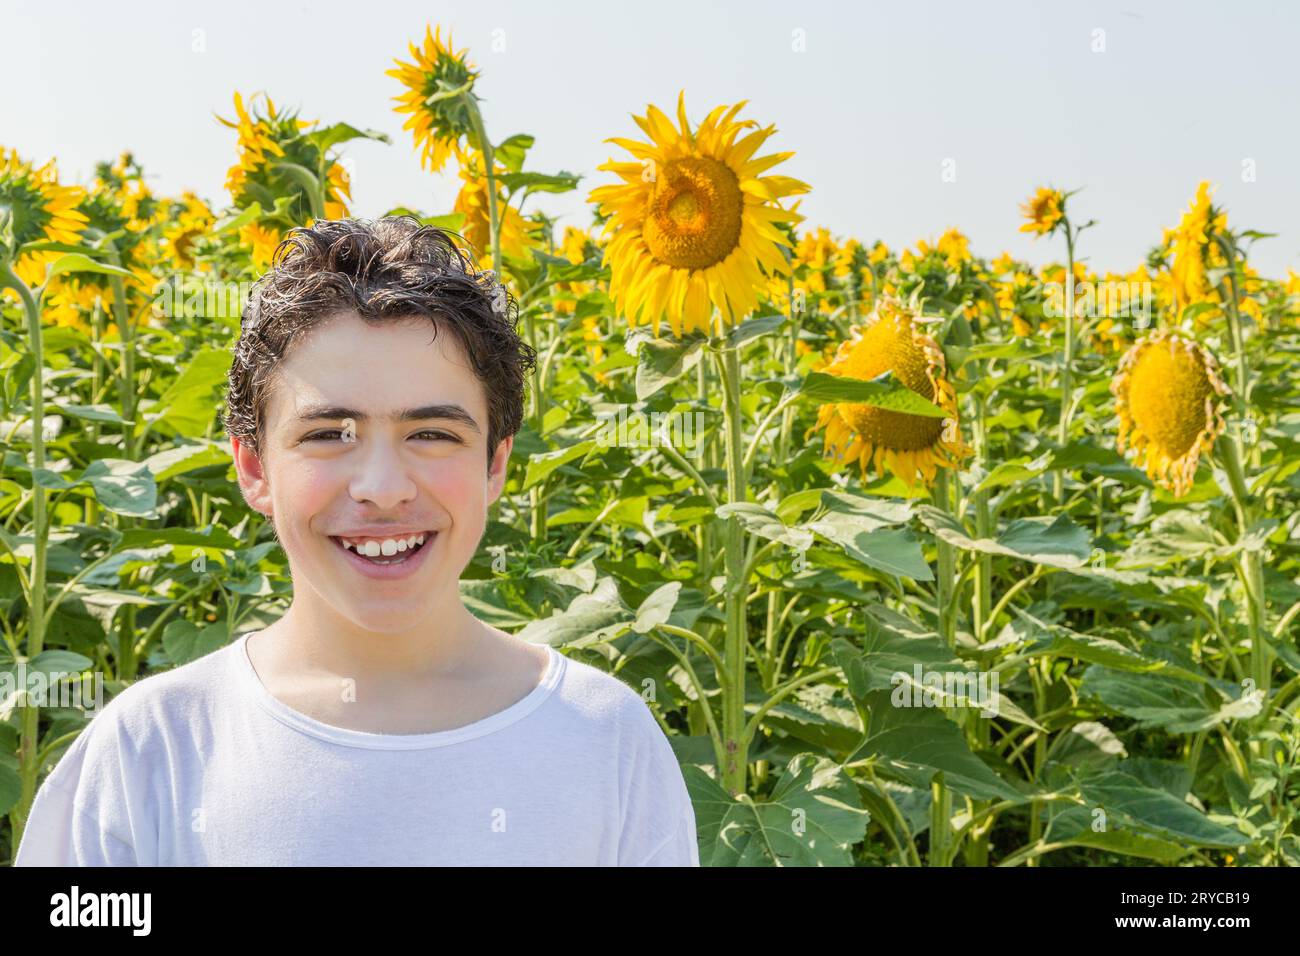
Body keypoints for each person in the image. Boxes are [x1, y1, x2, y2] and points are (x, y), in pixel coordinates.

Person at [15, 216, 700, 866]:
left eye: (431, 434)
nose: (382, 487)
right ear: (254, 468)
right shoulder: (152, 748)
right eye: (327, 435)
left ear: (495, 464)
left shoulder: (605, 740)